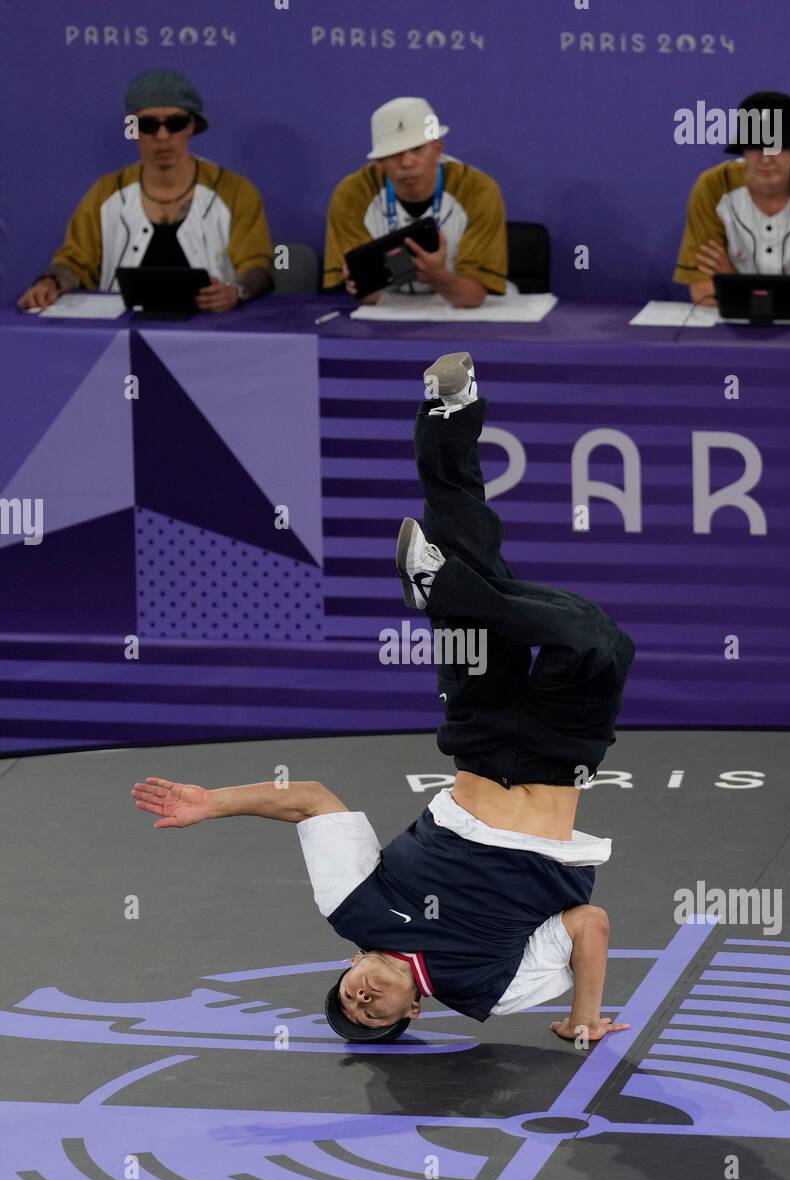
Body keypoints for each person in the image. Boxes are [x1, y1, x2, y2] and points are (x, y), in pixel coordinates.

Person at [131, 353, 635, 1047]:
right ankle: (443, 587)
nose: (362, 999)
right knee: (597, 642)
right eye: (373, 1015)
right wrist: (583, 1018)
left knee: (462, 531)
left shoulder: (352, 909)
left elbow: (310, 798)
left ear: (347, 967)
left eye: (348, 998)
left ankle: (448, 415)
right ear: (412, 1015)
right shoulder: (485, 987)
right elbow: (590, 925)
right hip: (560, 757)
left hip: (481, 741)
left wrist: (212, 803)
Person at [17, 69, 274, 314]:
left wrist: (235, 291)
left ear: (191, 126)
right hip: (117, 340)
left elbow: (259, 264)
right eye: (149, 125)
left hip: (214, 335)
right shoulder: (104, 193)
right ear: (133, 129)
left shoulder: (236, 192)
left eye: (175, 123)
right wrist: (51, 284)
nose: (162, 136)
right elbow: (74, 261)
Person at [673, 90, 790, 311]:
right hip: (745, 323)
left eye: (777, 145)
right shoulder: (713, 186)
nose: (766, 158)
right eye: (756, 146)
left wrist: (731, 281)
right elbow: (702, 291)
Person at [323, 96, 509, 307]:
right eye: (394, 154)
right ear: (379, 162)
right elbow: (366, 297)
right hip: (388, 311)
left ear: (438, 147)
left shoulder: (478, 191)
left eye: (418, 148)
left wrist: (439, 276)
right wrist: (360, 286)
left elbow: (472, 297)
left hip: (458, 310)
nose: (407, 162)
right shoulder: (351, 195)